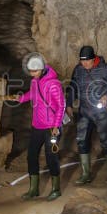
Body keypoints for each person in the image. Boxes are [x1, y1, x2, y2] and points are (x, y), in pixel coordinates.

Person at [66, 45, 107, 183]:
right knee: (81, 140)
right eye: (82, 61)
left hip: (101, 111)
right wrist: (68, 104)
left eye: (87, 61)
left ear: (94, 59)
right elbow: (73, 86)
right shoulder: (78, 69)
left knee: (105, 140)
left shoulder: (105, 69)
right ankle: (86, 174)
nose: (84, 63)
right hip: (84, 111)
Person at [18, 53, 65, 201]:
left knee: (51, 157)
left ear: (42, 69)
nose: (32, 74)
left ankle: (56, 189)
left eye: (35, 71)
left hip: (51, 127)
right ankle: (34, 189)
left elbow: (61, 106)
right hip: (37, 125)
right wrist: (21, 98)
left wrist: (57, 126)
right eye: (31, 71)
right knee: (31, 155)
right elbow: (32, 94)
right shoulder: (34, 81)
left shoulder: (53, 84)